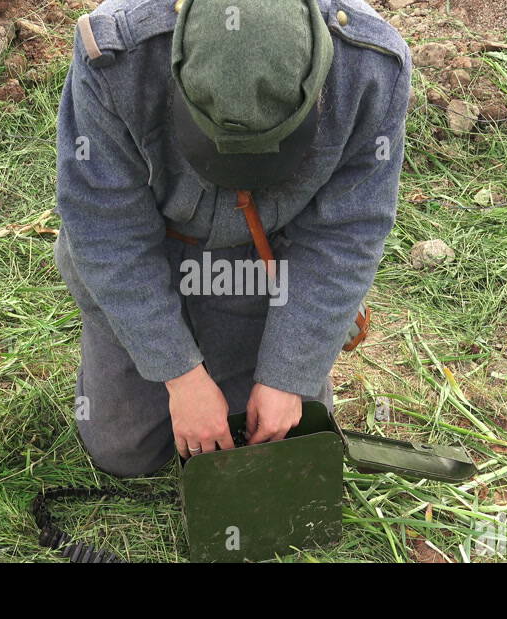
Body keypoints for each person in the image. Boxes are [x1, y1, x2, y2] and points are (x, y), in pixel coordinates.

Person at [54, 0, 411, 477]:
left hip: (265, 261)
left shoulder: (370, 68)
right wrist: (180, 375)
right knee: (124, 452)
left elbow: (345, 234)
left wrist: (287, 377)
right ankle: (133, 347)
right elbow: (106, 227)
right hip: (151, 249)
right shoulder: (119, 54)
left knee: (275, 441)